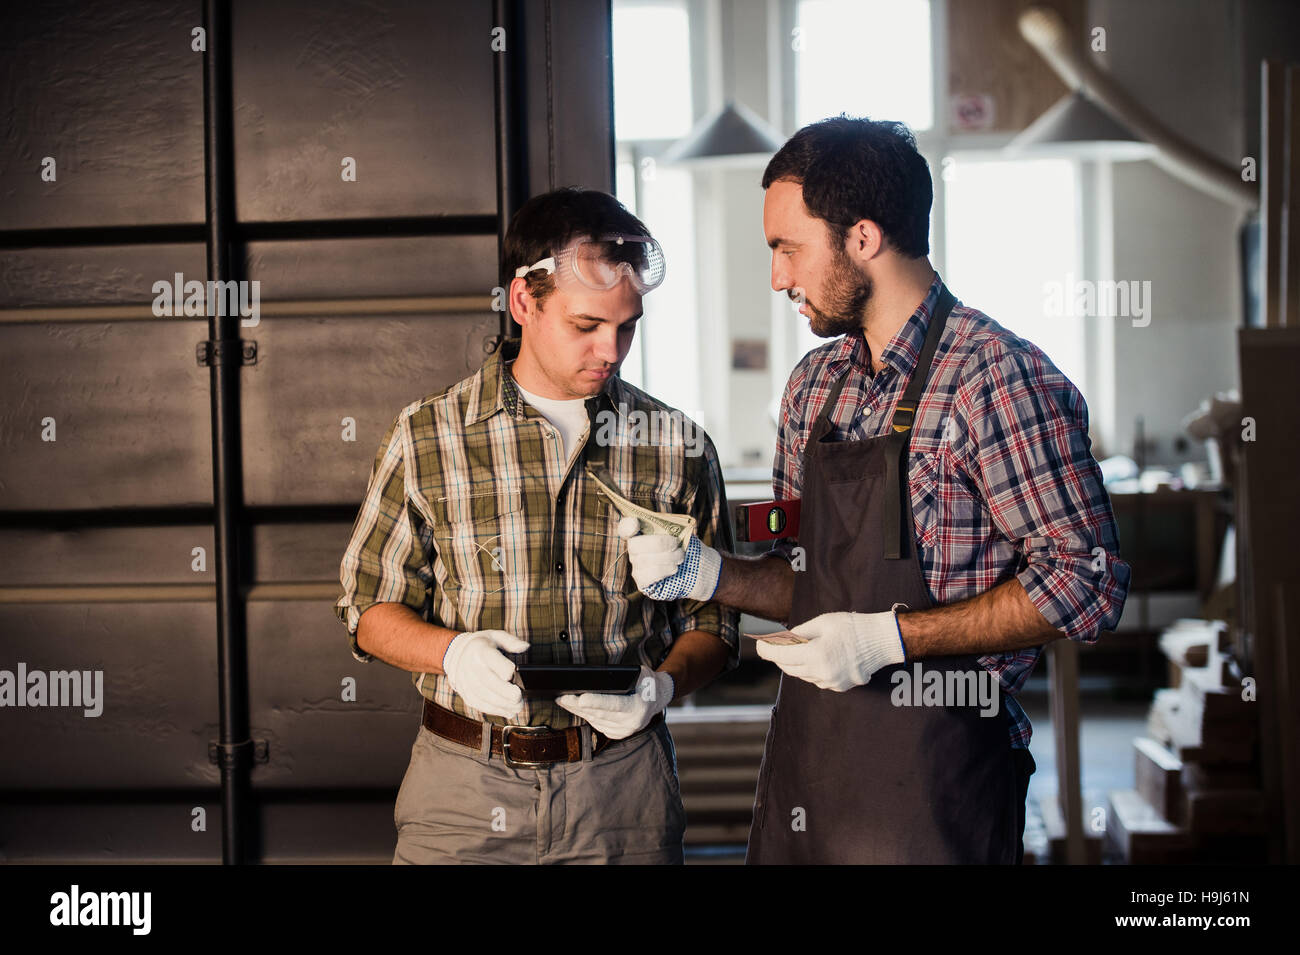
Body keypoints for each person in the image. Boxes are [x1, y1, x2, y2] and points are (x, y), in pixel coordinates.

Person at [623, 116, 1131, 864]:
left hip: (940, 780)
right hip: (812, 771)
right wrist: (708, 572)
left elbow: (1087, 585)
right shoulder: (813, 388)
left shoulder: (994, 378)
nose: (778, 278)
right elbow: (807, 581)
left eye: (787, 248)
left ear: (862, 237)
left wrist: (890, 639)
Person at [335, 187, 739, 864]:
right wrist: (450, 653)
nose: (612, 350)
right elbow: (367, 609)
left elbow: (715, 625)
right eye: (586, 325)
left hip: (621, 792)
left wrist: (661, 686)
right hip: (461, 788)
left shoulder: (677, 444)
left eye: (628, 325)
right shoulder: (426, 435)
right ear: (525, 302)